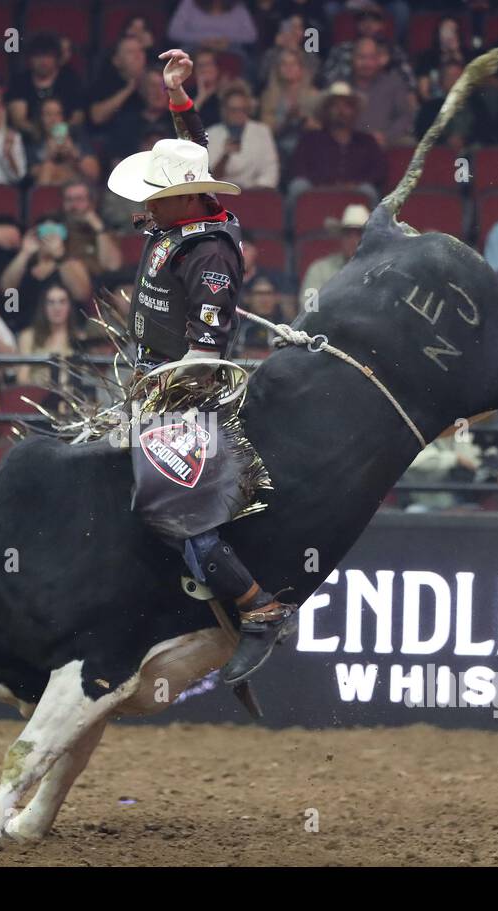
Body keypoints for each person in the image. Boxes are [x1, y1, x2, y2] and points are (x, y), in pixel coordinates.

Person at [106, 47, 295, 686]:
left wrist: (153, 390)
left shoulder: (209, 254)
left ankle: (257, 606)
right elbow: (193, 149)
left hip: (184, 400)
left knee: (181, 516)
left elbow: (204, 356)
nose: (146, 206)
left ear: (185, 202)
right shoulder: (182, 224)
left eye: (159, 196)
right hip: (153, 385)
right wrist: (180, 97)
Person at [286, 82, 385, 205]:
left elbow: (378, 171)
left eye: (346, 106)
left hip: (355, 195)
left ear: (354, 111)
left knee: (368, 191)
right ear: (326, 111)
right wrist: (321, 184)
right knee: (298, 187)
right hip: (316, 193)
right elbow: (298, 168)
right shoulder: (310, 139)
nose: (341, 111)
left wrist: (355, 184)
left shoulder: (367, 141)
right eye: (335, 106)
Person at [0, 218, 92, 333]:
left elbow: (81, 294)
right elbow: (7, 290)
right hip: (25, 332)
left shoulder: (71, 264)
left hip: (65, 333)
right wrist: (25, 252)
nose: (49, 237)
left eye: (55, 232)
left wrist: (59, 257)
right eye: (45, 231)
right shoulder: (24, 265)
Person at [6, 31, 85, 141]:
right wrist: (42, 134)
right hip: (30, 141)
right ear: (30, 59)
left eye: (48, 55)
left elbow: (77, 117)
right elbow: (18, 120)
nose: (43, 61)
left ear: (57, 58)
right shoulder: (20, 81)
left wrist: (58, 134)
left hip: (65, 138)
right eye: (38, 56)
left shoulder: (70, 80)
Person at [205, 82, 279, 191]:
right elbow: (209, 177)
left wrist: (255, 189)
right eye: (233, 110)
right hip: (221, 193)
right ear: (224, 110)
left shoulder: (262, 132)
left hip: (254, 192)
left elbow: (270, 170)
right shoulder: (211, 134)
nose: (239, 115)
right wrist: (225, 155)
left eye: (243, 110)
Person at [300, 203, 367, 312]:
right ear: (341, 238)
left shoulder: (381, 270)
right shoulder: (319, 270)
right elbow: (309, 309)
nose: (353, 241)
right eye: (348, 234)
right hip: (325, 328)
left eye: (359, 234)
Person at [15, 284, 80, 390]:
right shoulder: (29, 336)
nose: (57, 308)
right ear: (43, 307)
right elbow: (22, 379)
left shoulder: (79, 338)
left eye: (62, 302)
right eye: (51, 302)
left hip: (73, 399)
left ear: (69, 306)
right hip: (38, 397)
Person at [56, 179, 122, 282]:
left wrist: (99, 229)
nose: (73, 206)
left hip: (102, 286)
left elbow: (112, 266)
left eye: (79, 199)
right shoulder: (56, 229)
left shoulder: (104, 231)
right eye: (68, 200)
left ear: (92, 204)